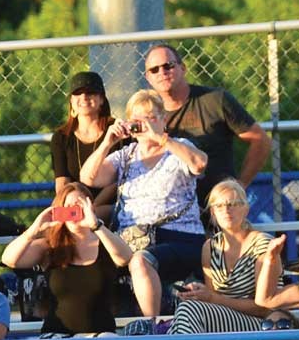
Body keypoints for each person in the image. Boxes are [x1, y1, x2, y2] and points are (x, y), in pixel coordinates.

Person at [79, 87, 209, 307]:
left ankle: (152, 330)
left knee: (140, 260)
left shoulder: (179, 148)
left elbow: (199, 163)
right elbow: (89, 178)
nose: (143, 125)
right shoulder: (127, 155)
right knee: (84, 255)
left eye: (149, 118)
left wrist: (162, 139)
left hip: (178, 237)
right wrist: (107, 142)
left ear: (163, 119)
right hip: (132, 239)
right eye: (137, 120)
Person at [164, 178, 284, 340]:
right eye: (219, 205)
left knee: (188, 313)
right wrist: (201, 295)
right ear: (212, 212)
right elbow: (213, 299)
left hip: (258, 323)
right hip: (222, 322)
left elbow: (265, 306)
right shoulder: (210, 247)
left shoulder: (263, 244)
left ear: (245, 208)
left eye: (233, 204)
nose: (226, 210)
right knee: (180, 320)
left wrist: (211, 299)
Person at [140, 43, 273, 210]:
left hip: (219, 209)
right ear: (148, 78)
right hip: (170, 211)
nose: (162, 72)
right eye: (154, 70)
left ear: (183, 68)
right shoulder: (145, 115)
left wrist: (240, 186)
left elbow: (260, 140)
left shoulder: (215, 100)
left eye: (168, 65)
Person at [1, 182, 138, 338]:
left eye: (79, 205)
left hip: (100, 335)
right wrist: (34, 230)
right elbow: (9, 259)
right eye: (68, 207)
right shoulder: (49, 246)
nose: (73, 211)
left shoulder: (105, 240)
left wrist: (96, 226)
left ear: (90, 207)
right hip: (58, 334)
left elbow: (125, 258)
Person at [50, 72, 118, 217]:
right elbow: (62, 185)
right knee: (53, 222)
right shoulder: (61, 137)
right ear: (71, 101)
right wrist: (76, 207)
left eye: (91, 92)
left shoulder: (116, 131)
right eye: (77, 93)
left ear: (101, 99)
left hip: (110, 204)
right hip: (74, 206)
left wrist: (92, 208)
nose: (84, 97)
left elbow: (119, 181)